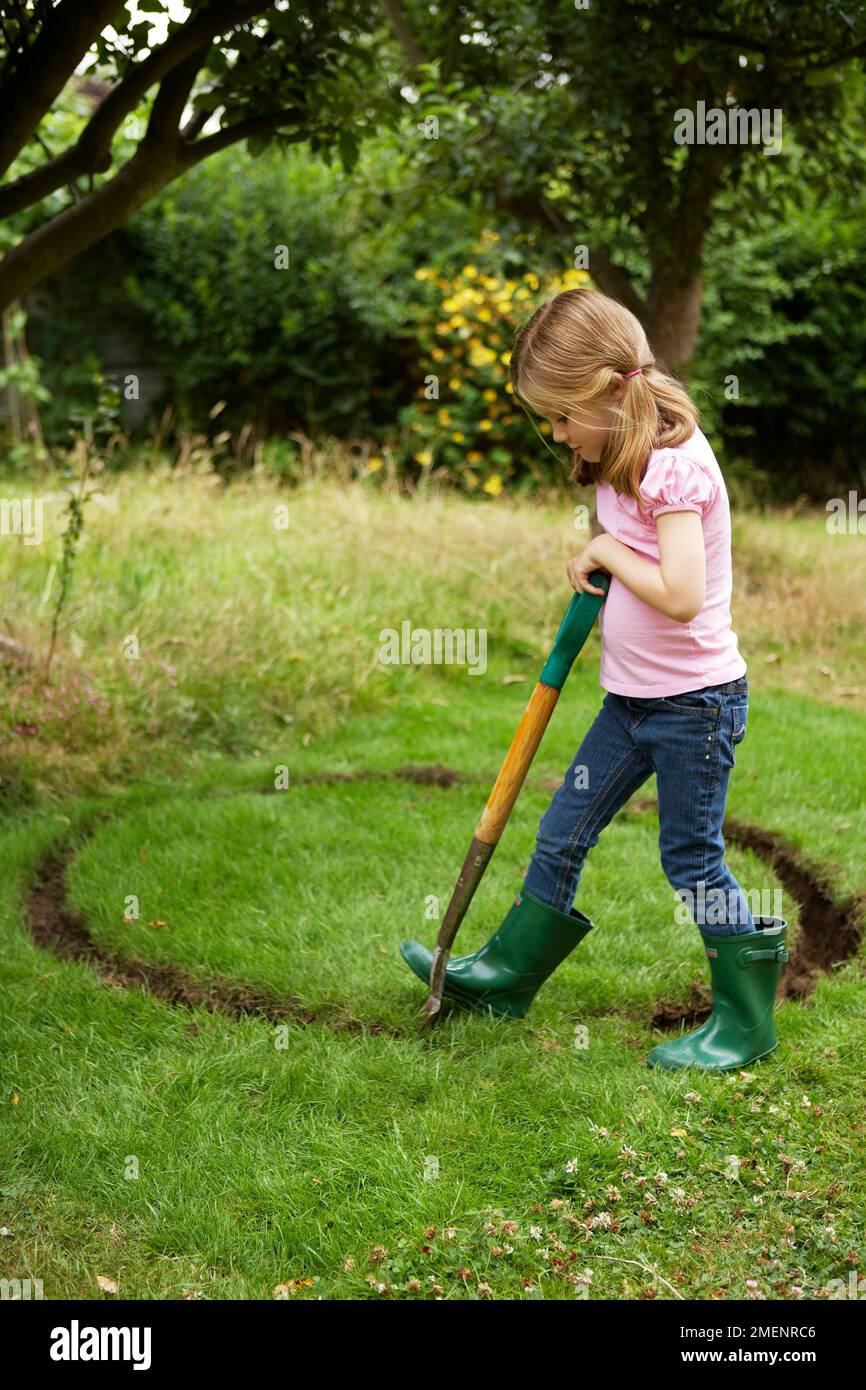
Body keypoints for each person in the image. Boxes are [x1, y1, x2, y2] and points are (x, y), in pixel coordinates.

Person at [401, 288, 788, 1072]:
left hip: (695, 708)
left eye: (562, 413)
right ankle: (506, 978)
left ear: (614, 387)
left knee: (691, 858)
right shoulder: (618, 455)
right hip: (630, 702)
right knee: (562, 829)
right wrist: (599, 554)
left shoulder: (674, 467)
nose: (555, 432)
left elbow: (680, 594)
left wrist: (607, 555)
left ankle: (745, 1022)